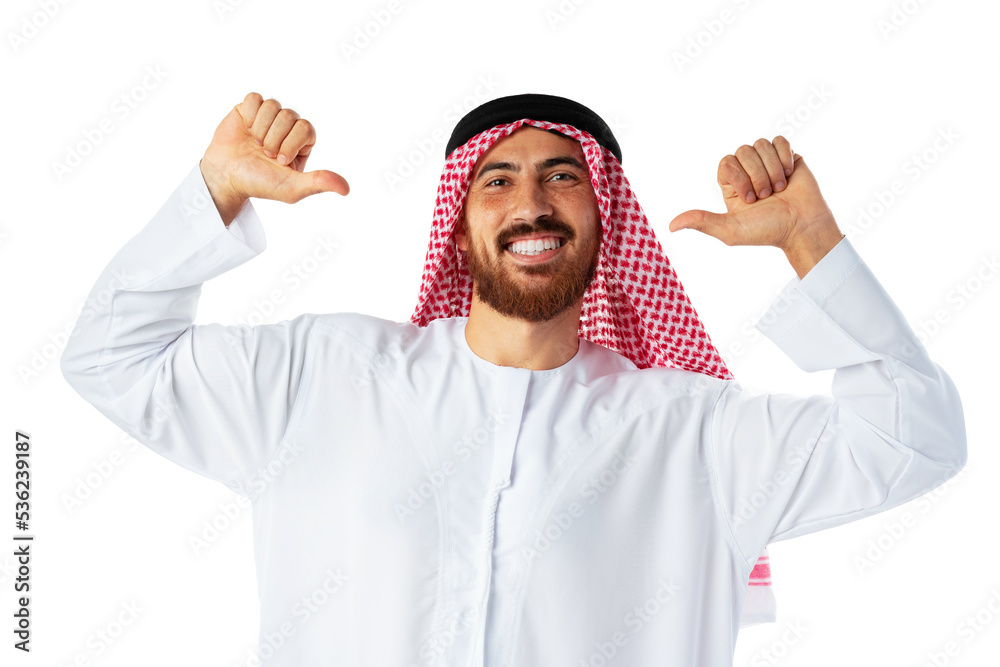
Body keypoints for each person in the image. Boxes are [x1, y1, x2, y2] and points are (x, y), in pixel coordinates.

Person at [60, 91, 967, 666]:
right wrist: (212, 191)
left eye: (561, 177)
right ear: (459, 226)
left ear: (606, 218)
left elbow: (917, 438)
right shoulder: (320, 376)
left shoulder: (699, 436)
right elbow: (109, 355)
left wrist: (812, 243)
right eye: (497, 181)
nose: (531, 203)